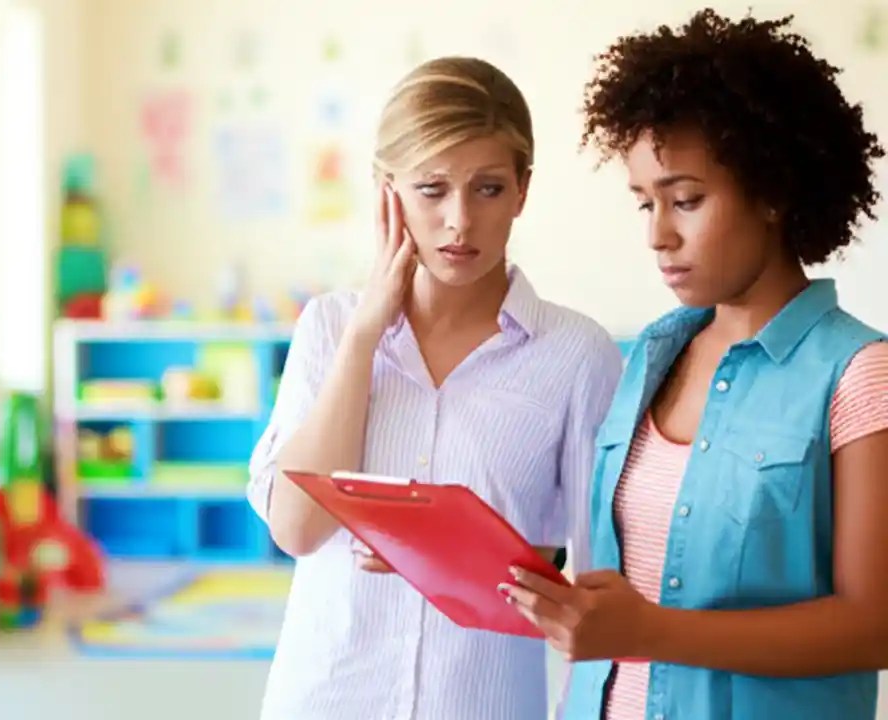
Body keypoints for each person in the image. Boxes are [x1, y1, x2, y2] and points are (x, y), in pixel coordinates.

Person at [502, 10, 888, 720]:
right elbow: (622, 562)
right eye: (644, 203)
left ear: (773, 191)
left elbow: (874, 625)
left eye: (686, 200)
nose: (658, 234)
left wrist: (652, 632)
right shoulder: (651, 356)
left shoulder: (859, 374)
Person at [246, 56, 622, 720]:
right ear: (386, 192)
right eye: (431, 189)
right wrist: (364, 337)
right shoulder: (330, 329)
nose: (459, 221)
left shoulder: (577, 356)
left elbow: (594, 590)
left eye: (488, 189)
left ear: (523, 190)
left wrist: (462, 562)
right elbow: (297, 529)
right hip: (326, 696)